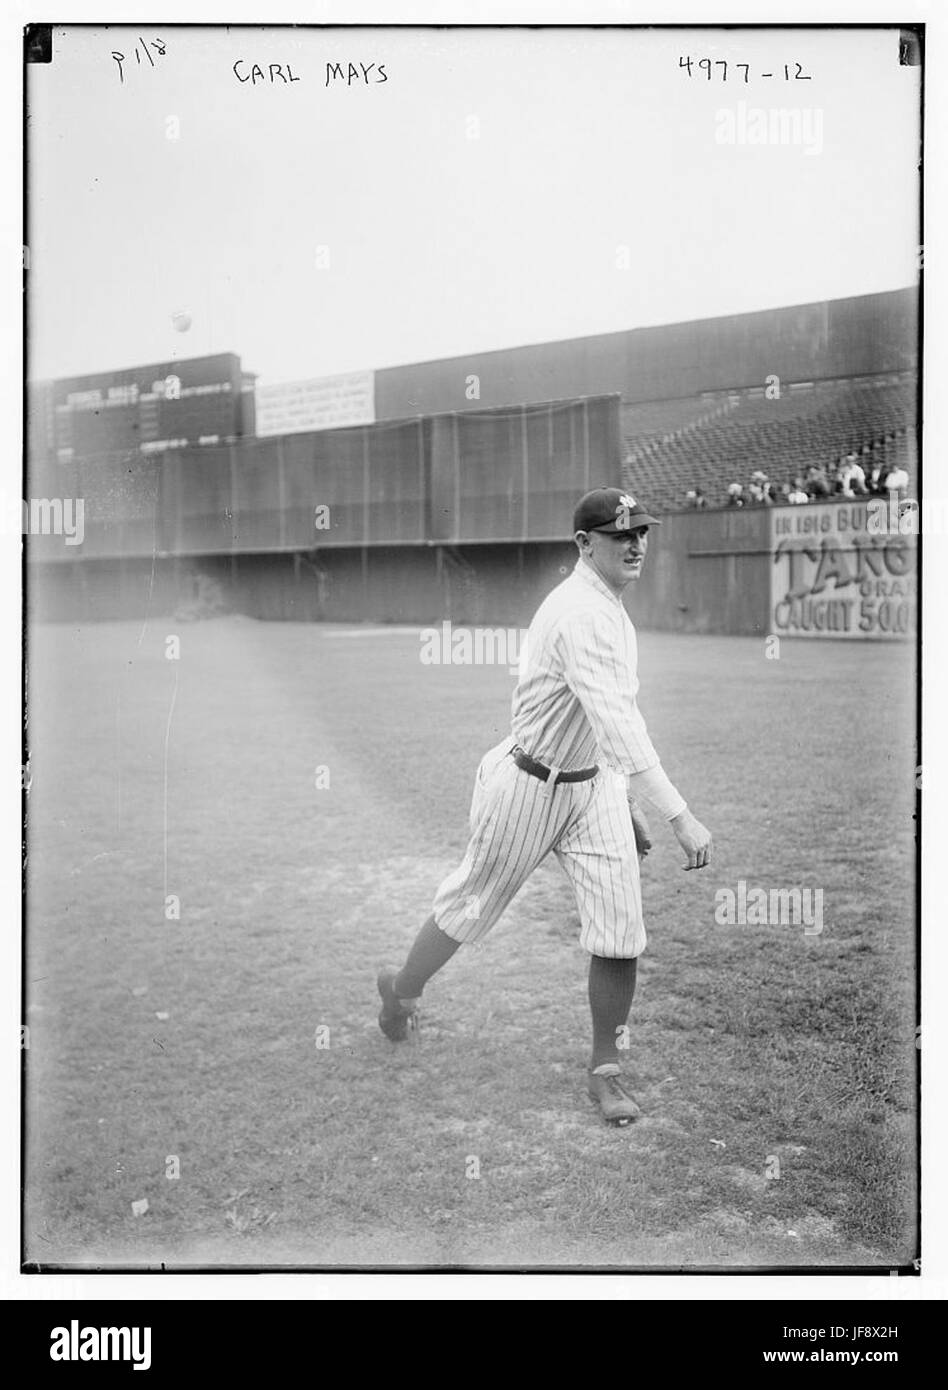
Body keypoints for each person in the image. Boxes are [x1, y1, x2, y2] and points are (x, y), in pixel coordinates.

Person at [377, 487, 713, 1125]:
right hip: (528, 783)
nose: (636, 544)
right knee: (469, 906)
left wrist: (620, 796)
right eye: (620, 536)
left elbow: (603, 723)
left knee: (620, 929)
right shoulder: (577, 613)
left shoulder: (608, 605)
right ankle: (401, 991)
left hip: (590, 787)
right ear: (585, 545)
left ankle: (605, 1073)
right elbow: (617, 721)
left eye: (641, 533)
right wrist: (676, 812)